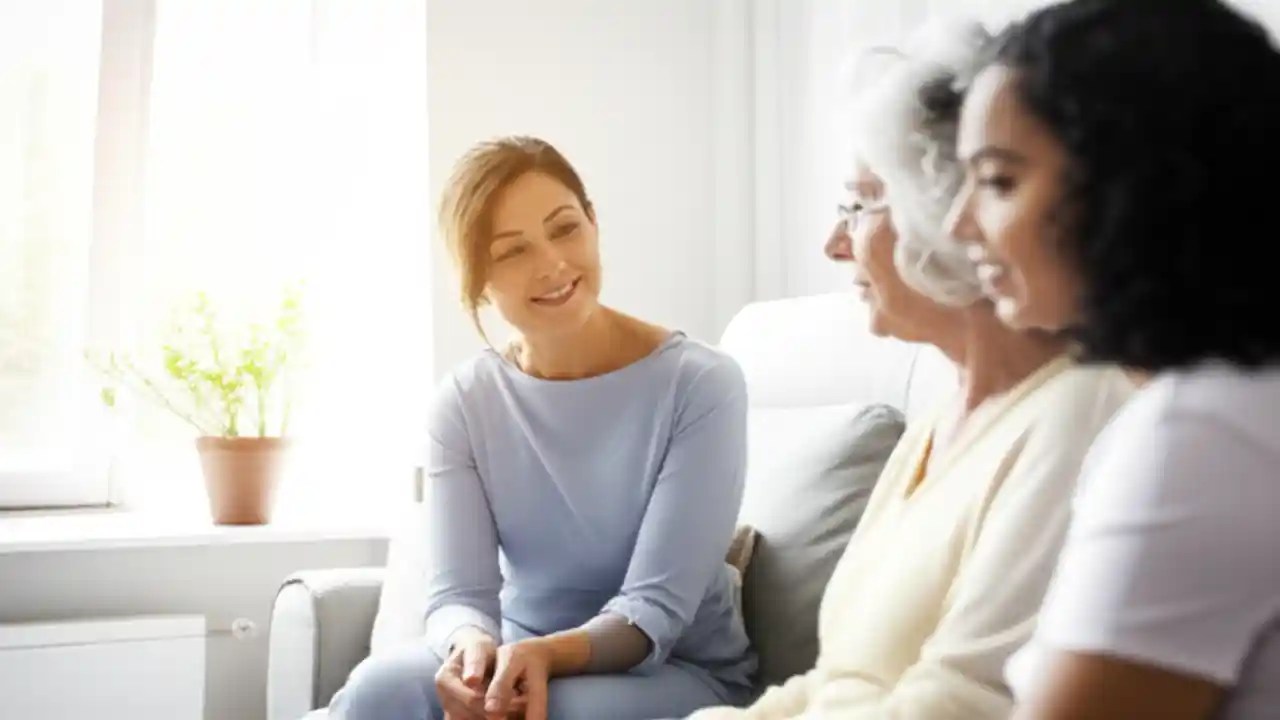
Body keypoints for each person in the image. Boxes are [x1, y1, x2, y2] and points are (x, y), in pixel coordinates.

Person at [688, 20, 1132, 720]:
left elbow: (964, 703)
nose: (834, 243)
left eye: (860, 204)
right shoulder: (937, 422)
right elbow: (839, 678)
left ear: (953, 210)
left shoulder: (1077, 418)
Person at [327, 136, 755, 720]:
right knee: (379, 688)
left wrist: (543, 656)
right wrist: (470, 653)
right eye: (512, 251)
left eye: (565, 229)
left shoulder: (701, 385)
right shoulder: (464, 401)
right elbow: (460, 596)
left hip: (673, 667)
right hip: (517, 656)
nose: (552, 264)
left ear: (593, 223)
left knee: (557, 713)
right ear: (478, 280)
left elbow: (655, 609)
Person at [945, 1, 1280, 718]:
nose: (958, 223)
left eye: (999, 180)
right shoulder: (1230, 402)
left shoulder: (1203, 432)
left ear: (1135, 186)